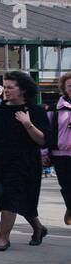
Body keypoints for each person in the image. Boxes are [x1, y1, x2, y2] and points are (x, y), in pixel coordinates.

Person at [0, 70, 51, 250]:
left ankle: (3, 238)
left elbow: (43, 140)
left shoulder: (35, 111)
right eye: (5, 87)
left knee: (11, 197)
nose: (6, 90)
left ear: (23, 90)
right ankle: (38, 228)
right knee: (8, 200)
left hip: (24, 162)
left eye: (11, 87)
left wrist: (28, 124)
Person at [44, 72, 71, 228]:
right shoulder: (54, 110)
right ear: (64, 88)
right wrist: (44, 153)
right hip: (61, 155)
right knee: (67, 186)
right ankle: (70, 206)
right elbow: (46, 134)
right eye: (70, 86)